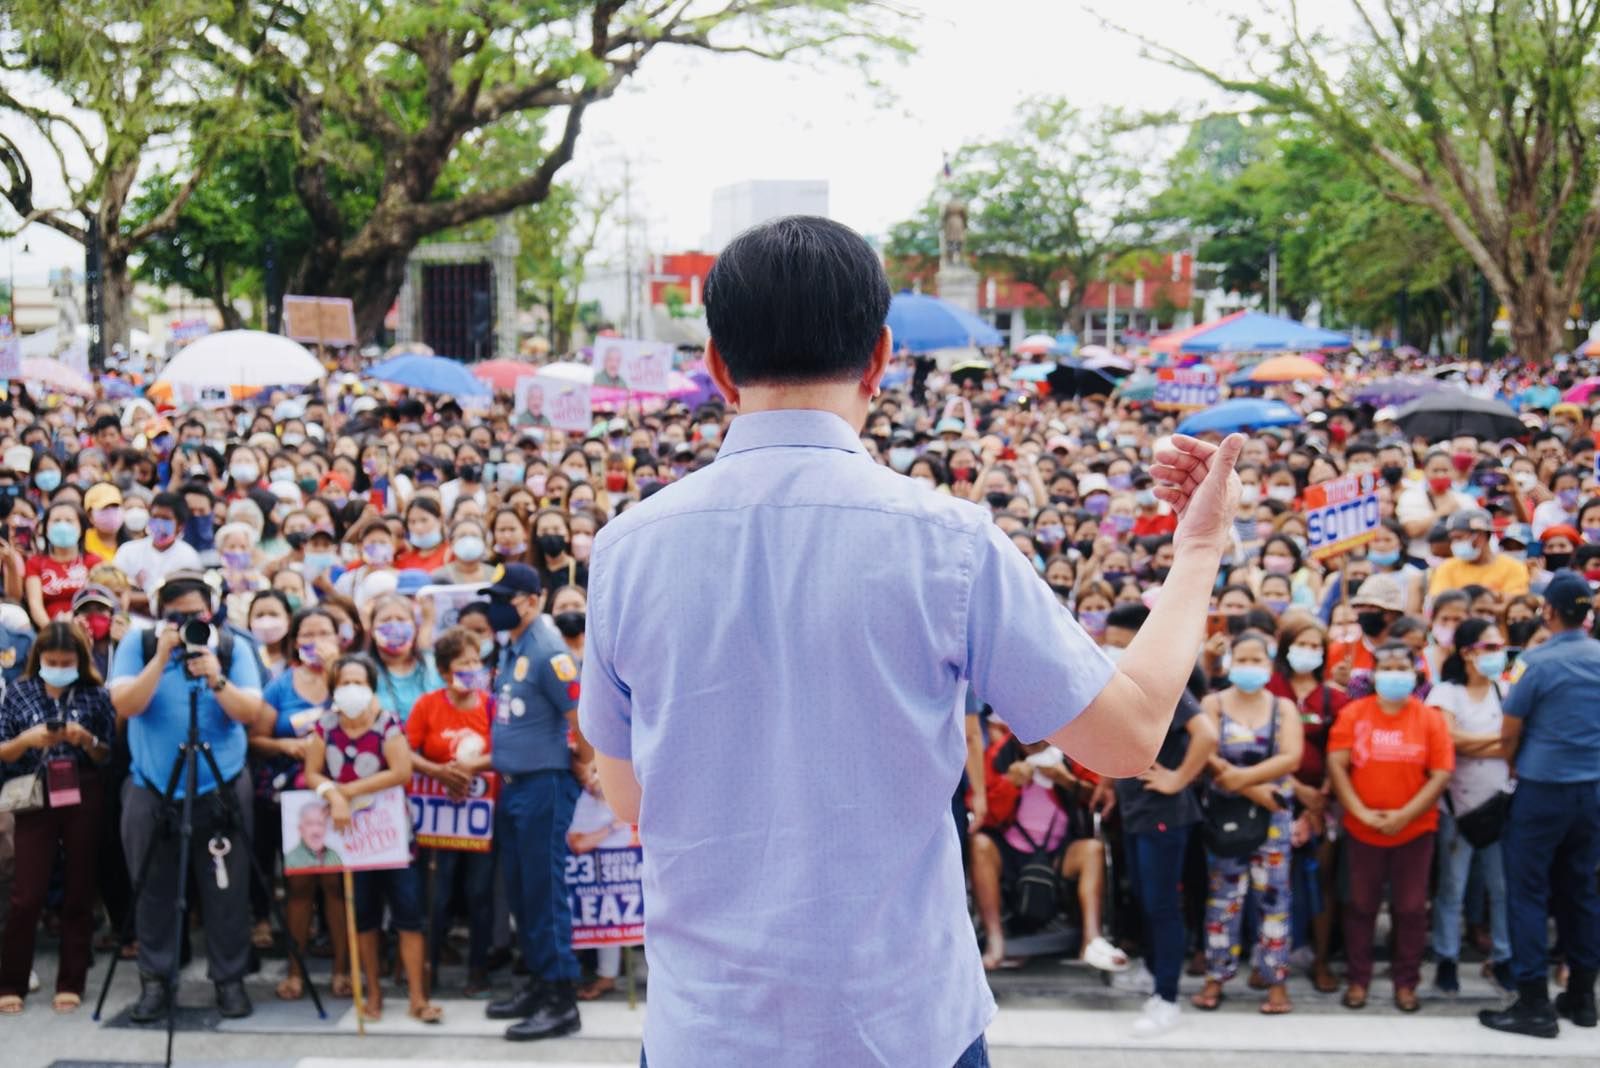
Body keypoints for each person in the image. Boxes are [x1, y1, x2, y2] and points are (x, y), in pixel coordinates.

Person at [579, 216, 1244, 1065]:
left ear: (716, 365)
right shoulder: (949, 542)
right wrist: (1197, 551)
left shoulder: (628, 550)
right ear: (881, 358)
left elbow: (632, 799)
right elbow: (1131, 734)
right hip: (901, 1031)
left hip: (706, 1032)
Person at [109, 569, 266, 1023]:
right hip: (151, 786)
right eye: (175, 616)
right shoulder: (137, 647)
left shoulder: (233, 646)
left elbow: (249, 713)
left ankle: (229, 982)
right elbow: (125, 706)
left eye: (195, 613)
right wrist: (160, 659)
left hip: (220, 786)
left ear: (211, 610)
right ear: (160, 615)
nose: (186, 623)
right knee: (152, 891)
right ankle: (155, 983)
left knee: (226, 891)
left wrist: (215, 677)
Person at [1481, 570, 1600, 1037]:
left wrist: (1513, 766)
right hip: (1591, 790)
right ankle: (1583, 997)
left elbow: (1508, 732)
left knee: (1528, 891)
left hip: (1541, 788)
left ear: (1548, 610)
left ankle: (1533, 1003)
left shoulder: (1536, 662)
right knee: (1582, 891)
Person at [482, 564, 590, 1041]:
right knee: (524, 893)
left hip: (544, 783)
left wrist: (584, 764)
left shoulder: (548, 650)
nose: (497, 607)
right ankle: (538, 981)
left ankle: (561, 999)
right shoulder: (515, 646)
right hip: (515, 784)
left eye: (505, 597)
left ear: (530, 599)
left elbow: (580, 716)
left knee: (545, 893)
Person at [303, 654, 441, 1024]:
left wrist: (346, 791)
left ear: (371, 687)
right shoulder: (323, 728)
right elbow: (311, 773)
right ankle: (373, 994)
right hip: (353, 842)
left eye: (359, 683)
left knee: (409, 915)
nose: (352, 689)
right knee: (363, 917)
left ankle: (417, 997)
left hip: (394, 837)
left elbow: (401, 771)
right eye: (345, 683)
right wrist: (332, 795)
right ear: (334, 689)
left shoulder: (387, 724)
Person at [1102, 602, 1217, 1037]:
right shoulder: (1125, 685)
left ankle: (1167, 997)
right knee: (1148, 903)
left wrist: (1176, 781)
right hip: (1136, 811)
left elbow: (1207, 735)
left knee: (1163, 905)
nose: (1111, 653)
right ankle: (1154, 975)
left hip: (1164, 813)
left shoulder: (1164, 684)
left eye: (1119, 645)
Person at [1326, 642, 1454, 1013]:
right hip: (1362, 829)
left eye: (1402, 667)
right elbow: (1338, 764)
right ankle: (1358, 978)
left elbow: (1441, 773)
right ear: (1375, 673)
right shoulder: (1355, 714)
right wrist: (1361, 812)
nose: (1394, 673)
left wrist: (1404, 815)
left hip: (1415, 830)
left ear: (1415, 674)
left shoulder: (1429, 718)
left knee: (1411, 908)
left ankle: (1406, 982)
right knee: (1361, 906)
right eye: (1387, 666)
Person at [0, 623, 115, 1013]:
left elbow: (107, 754)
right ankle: (11, 980)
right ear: (40, 660)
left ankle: (71, 980)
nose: (60, 668)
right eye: (53, 662)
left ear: (80, 662)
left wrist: (85, 739)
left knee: (79, 888)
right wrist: (28, 740)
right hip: (34, 786)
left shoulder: (95, 695)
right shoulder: (19, 691)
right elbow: (4, 751)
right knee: (26, 894)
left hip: (82, 785)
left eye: (67, 663)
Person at [1192, 629, 1304, 1016]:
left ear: (1270, 664)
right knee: (1223, 899)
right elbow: (1205, 751)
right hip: (1226, 816)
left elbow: (1291, 757)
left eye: (1258, 660)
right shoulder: (1214, 703)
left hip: (1273, 821)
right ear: (1230, 662)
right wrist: (1250, 788)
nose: (1250, 666)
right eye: (1243, 659)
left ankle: (1275, 981)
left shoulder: (1283, 707)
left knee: (1274, 899)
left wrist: (1242, 780)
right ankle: (1215, 976)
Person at [970, 721, 1127, 974]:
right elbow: (983, 814)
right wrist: (1009, 784)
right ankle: (995, 940)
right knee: (979, 845)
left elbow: (1097, 796)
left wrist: (1066, 781)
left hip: (1058, 850)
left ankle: (1091, 938)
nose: (1035, 745)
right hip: (1009, 850)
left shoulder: (1069, 754)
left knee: (1093, 851)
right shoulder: (1000, 754)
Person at [255, 608, 349, 1000]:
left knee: (336, 885)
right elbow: (256, 737)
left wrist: (337, 672)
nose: (315, 641)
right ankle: (296, 970)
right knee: (300, 886)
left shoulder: (351, 679)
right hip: (293, 793)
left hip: (341, 792)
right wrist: (283, 745)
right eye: (307, 635)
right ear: (294, 642)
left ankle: (343, 970)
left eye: (323, 633)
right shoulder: (280, 686)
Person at [406, 626, 495, 998]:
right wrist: (437, 771)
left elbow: (507, 748)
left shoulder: (492, 705)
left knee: (479, 894)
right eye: (463, 663)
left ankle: (479, 970)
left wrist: (471, 769)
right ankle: (430, 967)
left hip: (483, 817)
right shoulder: (427, 705)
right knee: (436, 894)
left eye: (476, 661)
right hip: (438, 818)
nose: (472, 669)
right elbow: (405, 752)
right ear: (445, 671)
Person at [1428, 617, 1513, 995]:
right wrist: (1496, 741)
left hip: (1499, 803)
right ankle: (1446, 957)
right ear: (1467, 653)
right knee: (1452, 886)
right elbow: (1446, 739)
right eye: (1489, 648)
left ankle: (1503, 956)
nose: (1498, 655)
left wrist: (1476, 741)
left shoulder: (1506, 691)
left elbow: (1515, 742)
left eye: (1500, 648)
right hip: (1456, 805)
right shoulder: (1445, 693)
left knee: (1501, 887)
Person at [1268, 616, 1349, 992]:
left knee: (1323, 883)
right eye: (1303, 644)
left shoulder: (1334, 696)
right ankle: (1270, 961)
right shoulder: (1271, 689)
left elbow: (1342, 752)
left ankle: (1320, 960)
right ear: (1286, 647)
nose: (1309, 652)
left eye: (1317, 646)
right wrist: (1295, 789)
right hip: (1273, 797)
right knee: (1273, 884)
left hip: (1322, 806)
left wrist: (1320, 801)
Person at [24, 502, 100, 628]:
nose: (62, 525)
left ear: (81, 527)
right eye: (56, 520)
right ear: (45, 527)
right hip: (49, 631)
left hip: (86, 629)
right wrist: (54, 632)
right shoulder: (35, 562)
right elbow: (35, 605)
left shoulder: (93, 562)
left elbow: (97, 603)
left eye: (69, 521)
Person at [1429, 508, 1529, 600]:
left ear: (1480, 536)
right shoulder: (1447, 567)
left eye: (1459, 538)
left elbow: (1513, 606)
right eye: (1452, 539)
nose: (1454, 544)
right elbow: (1440, 604)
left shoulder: (1514, 567)